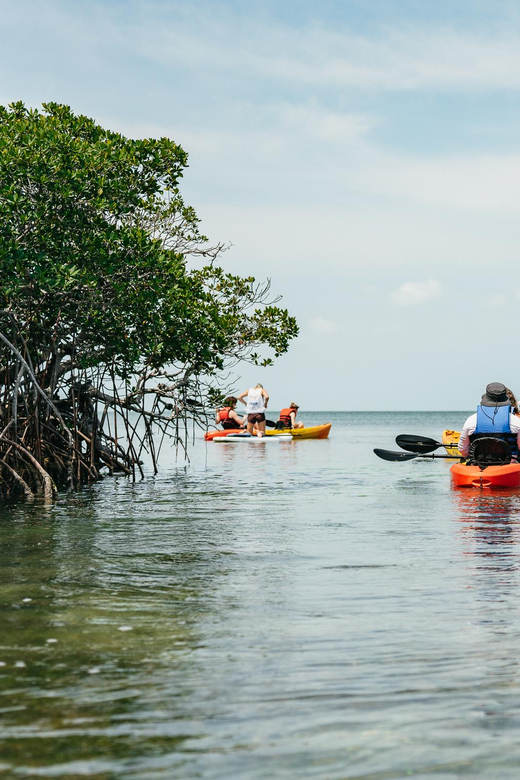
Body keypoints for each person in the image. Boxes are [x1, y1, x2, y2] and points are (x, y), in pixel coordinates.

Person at [458, 382, 520, 458]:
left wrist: (470, 456)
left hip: (479, 464)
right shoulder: (516, 422)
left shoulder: (471, 420)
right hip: (509, 465)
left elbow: (462, 449)